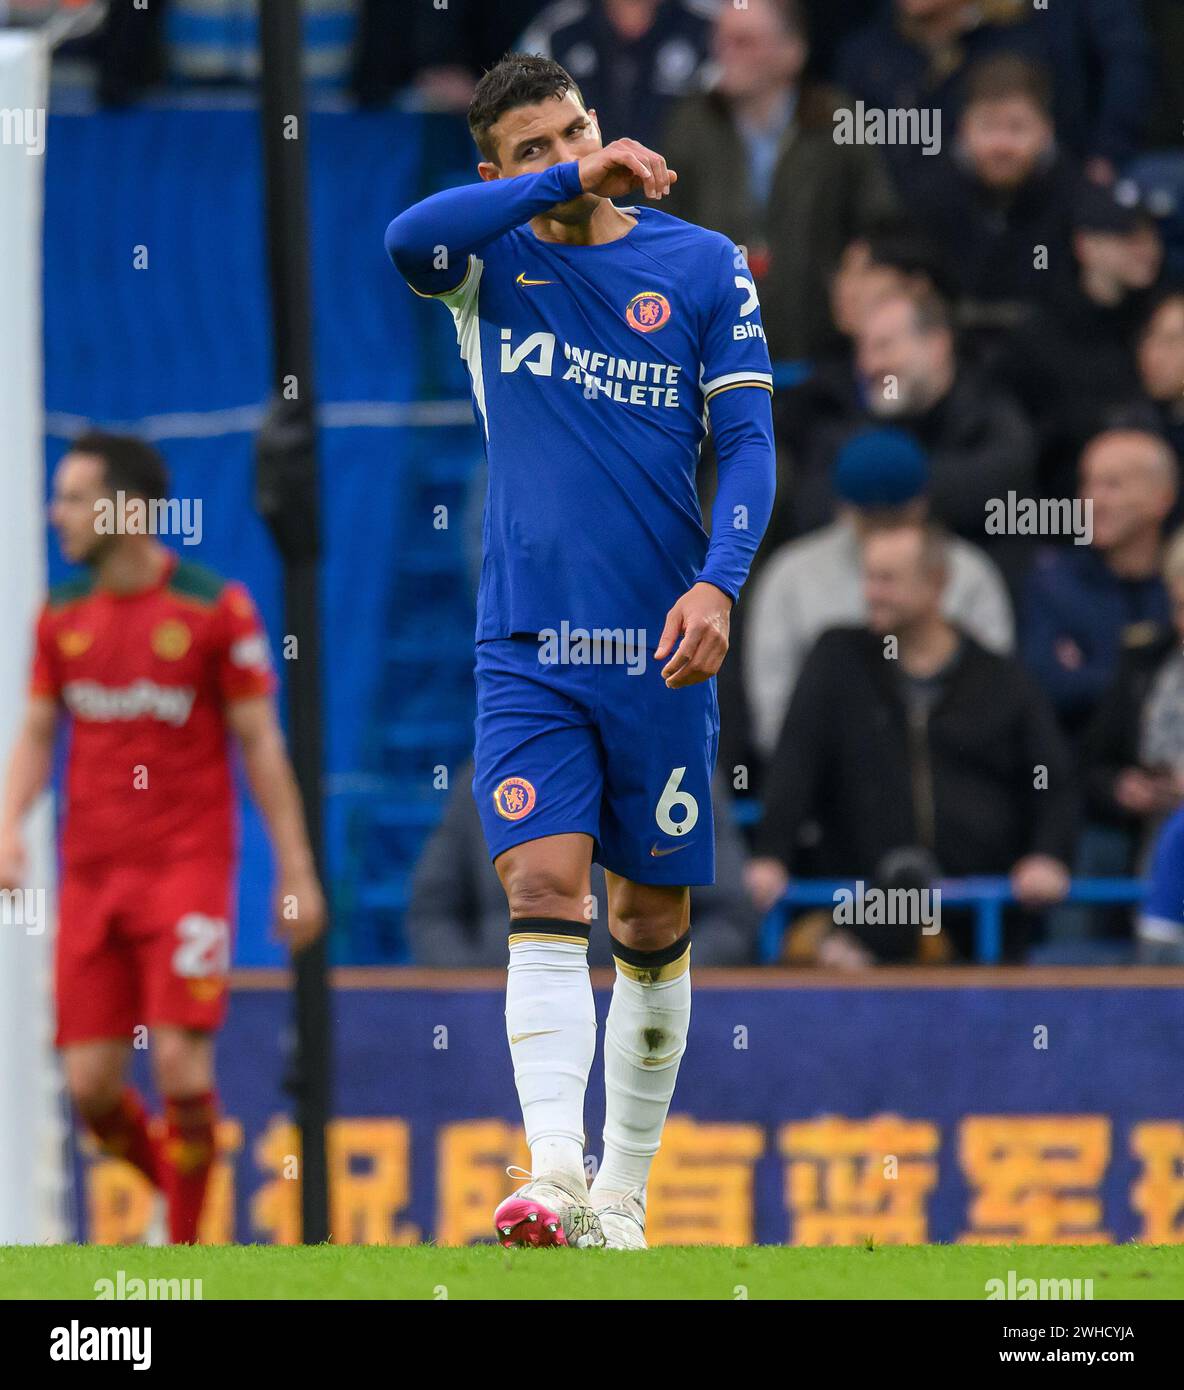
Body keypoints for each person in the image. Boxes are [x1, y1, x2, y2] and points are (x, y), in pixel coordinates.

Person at [384, 53, 775, 1250]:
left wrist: (718, 585)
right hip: (529, 641)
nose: (568, 156)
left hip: (656, 641)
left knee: (647, 918)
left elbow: (751, 446)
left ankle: (623, 1194)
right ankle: (551, 1174)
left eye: (578, 130)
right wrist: (552, 185)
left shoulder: (702, 264)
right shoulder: (486, 268)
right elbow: (408, 235)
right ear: (496, 169)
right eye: (534, 148)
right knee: (541, 888)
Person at [0, 434, 325, 1244]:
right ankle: (176, 1194)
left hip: (186, 868)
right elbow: (39, 733)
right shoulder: (63, 615)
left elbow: (261, 745)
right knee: (90, 1086)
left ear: (127, 508)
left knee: (179, 1064)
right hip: (90, 875)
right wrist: (6, 825)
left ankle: (183, 1257)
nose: (58, 513)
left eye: (75, 497)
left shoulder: (215, 610)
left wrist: (296, 869)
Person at [746, 523, 1075, 963]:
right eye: (868, 577)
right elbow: (796, 761)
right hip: (856, 892)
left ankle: (855, 950)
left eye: (887, 580)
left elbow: (1053, 778)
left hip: (973, 911)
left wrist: (1047, 855)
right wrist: (772, 854)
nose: (871, 593)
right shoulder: (839, 658)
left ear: (937, 583)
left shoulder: (1001, 680)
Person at [745, 427, 1013, 757]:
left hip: (951, 765)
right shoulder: (791, 575)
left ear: (922, 503)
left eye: (897, 518)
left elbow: (998, 696)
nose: (884, 533)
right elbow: (773, 713)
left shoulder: (967, 572)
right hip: (832, 775)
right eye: (869, 519)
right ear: (843, 507)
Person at [660, 0, 898, 360]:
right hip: (710, 351)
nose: (726, 54)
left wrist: (857, 275)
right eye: (721, 41)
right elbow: (659, 226)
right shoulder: (690, 124)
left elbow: (880, 224)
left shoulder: (838, 122)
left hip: (820, 353)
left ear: (793, 52)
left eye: (745, 42)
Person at [776, 285, 1036, 560]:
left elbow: (994, 493)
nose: (869, 366)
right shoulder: (843, 418)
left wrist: (877, 495)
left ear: (937, 344)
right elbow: (811, 506)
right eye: (861, 351)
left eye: (883, 346)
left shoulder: (991, 416)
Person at [407, 765, 760, 966]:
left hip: (648, 1020)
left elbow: (729, 917)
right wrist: (476, 990)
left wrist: (660, 989)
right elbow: (432, 913)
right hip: (506, 1018)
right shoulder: (486, 778)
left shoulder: (679, 778)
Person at [1001, 182, 1166, 500]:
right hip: (1067, 508)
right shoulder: (1038, 335)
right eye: (1128, 237)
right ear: (1085, 245)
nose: (1146, 249)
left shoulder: (1163, 317)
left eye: (1151, 235)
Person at [1020, 429, 1177, 744]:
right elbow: (1049, 687)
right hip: (1080, 771)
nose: (1092, 501)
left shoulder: (1178, 583)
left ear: (1162, 498)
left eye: (1113, 485)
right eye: (1087, 484)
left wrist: (1093, 673)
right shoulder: (1051, 580)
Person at [909, 54, 1084, 319]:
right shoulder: (930, 198)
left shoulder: (1078, 200)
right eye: (988, 126)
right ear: (964, 129)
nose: (1001, 145)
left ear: (1045, 131)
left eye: (1017, 128)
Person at [519, 0, 716, 149]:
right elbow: (517, 119)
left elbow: (734, 129)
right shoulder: (556, 32)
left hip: (680, 194)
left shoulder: (710, 31)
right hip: (582, 192)